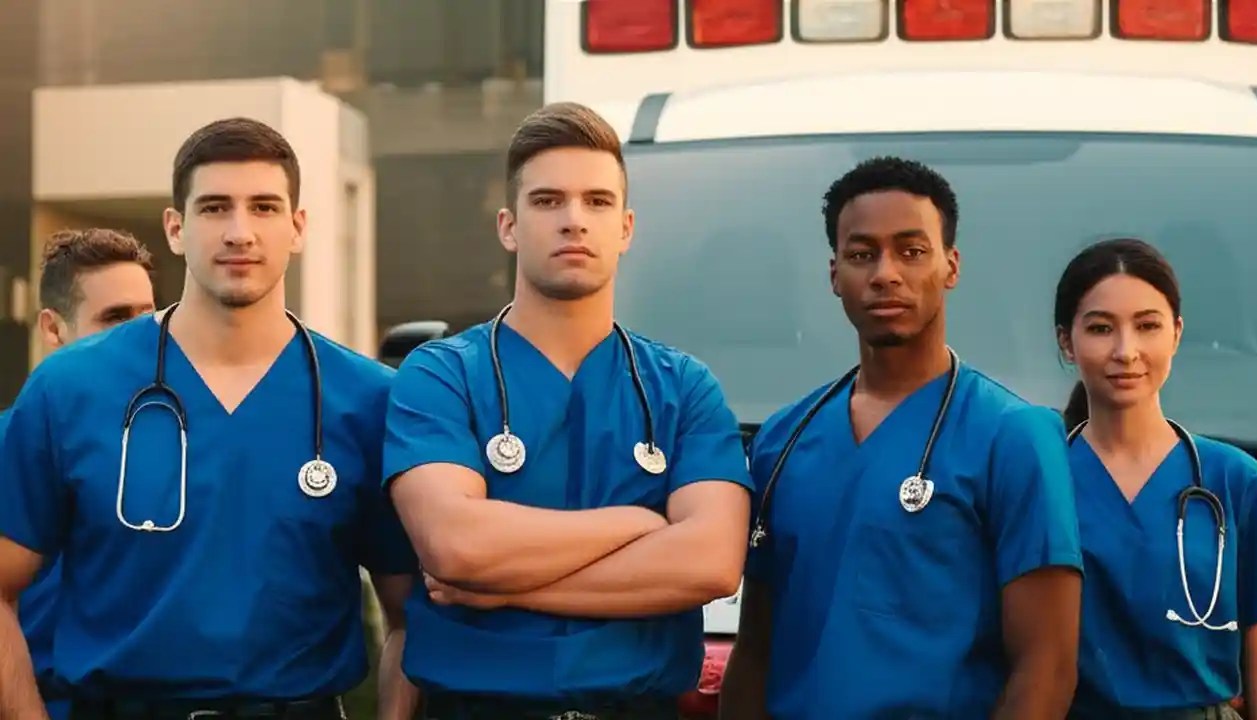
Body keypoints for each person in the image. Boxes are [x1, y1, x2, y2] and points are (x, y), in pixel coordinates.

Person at [0, 117, 418, 720]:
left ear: (298, 228)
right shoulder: (72, 389)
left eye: (265, 208)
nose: (240, 232)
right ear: (176, 227)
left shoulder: (367, 400)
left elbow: (408, 616)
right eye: (216, 208)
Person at [383, 101, 753, 719]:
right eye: (548, 201)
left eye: (597, 202)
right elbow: (456, 548)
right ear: (509, 226)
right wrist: (640, 525)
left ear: (626, 227)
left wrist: (499, 591)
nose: (574, 221)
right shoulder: (442, 375)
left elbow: (712, 563)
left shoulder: (683, 387)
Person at [719, 156, 1084, 720]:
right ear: (835, 273)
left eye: (911, 251)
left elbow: (1047, 664)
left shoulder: (1014, 436)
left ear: (951, 265)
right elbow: (755, 649)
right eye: (862, 254)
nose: (886, 273)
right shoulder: (782, 440)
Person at [1054, 237, 1257, 719]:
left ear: (1176, 334)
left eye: (1147, 326)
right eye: (1100, 328)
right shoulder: (1039, 478)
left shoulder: (1234, 479)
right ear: (1065, 342)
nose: (1125, 350)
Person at [5, 228, 157, 720]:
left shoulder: (182, 441)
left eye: (147, 316)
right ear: (53, 329)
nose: (139, 335)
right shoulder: (7, 444)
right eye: (115, 318)